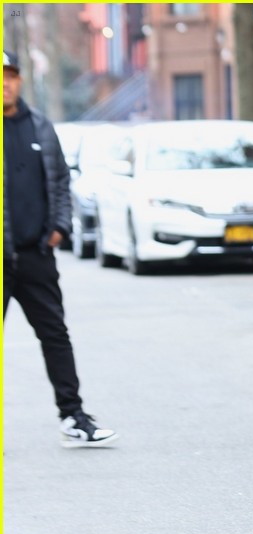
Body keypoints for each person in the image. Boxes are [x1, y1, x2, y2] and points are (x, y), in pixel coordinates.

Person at [3, 49, 117, 448]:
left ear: (20, 80)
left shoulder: (40, 126)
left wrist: (60, 228)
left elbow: (61, 181)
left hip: (36, 255)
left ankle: (74, 417)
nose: (5, 83)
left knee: (55, 336)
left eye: (10, 75)